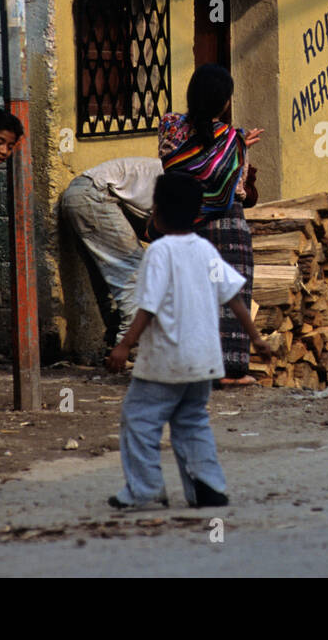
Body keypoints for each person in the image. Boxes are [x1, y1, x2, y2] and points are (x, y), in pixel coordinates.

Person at [104, 172, 271, 510]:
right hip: (205, 361)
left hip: (165, 362)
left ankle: (145, 490)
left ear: (156, 212)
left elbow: (148, 307)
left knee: (139, 420)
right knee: (192, 423)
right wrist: (256, 338)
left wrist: (124, 345)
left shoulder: (159, 253)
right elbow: (234, 297)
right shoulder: (205, 250)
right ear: (197, 214)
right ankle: (207, 488)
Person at [158, 64, 264, 386]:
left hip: (184, 222)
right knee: (230, 296)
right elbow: (242, 194)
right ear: (225, 102)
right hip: (228, 226)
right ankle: (229, 372)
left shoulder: (170, 127)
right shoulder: (233, 141)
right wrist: (241, 145)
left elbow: (176, 165)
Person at [60, 157, 165, 347]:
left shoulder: (183, 170)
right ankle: (132, 344)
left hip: (80, 192)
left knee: (107, 277)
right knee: (135, 271)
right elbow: (159, 229)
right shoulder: (188, 185)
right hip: (95, 193)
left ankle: (115, 339)